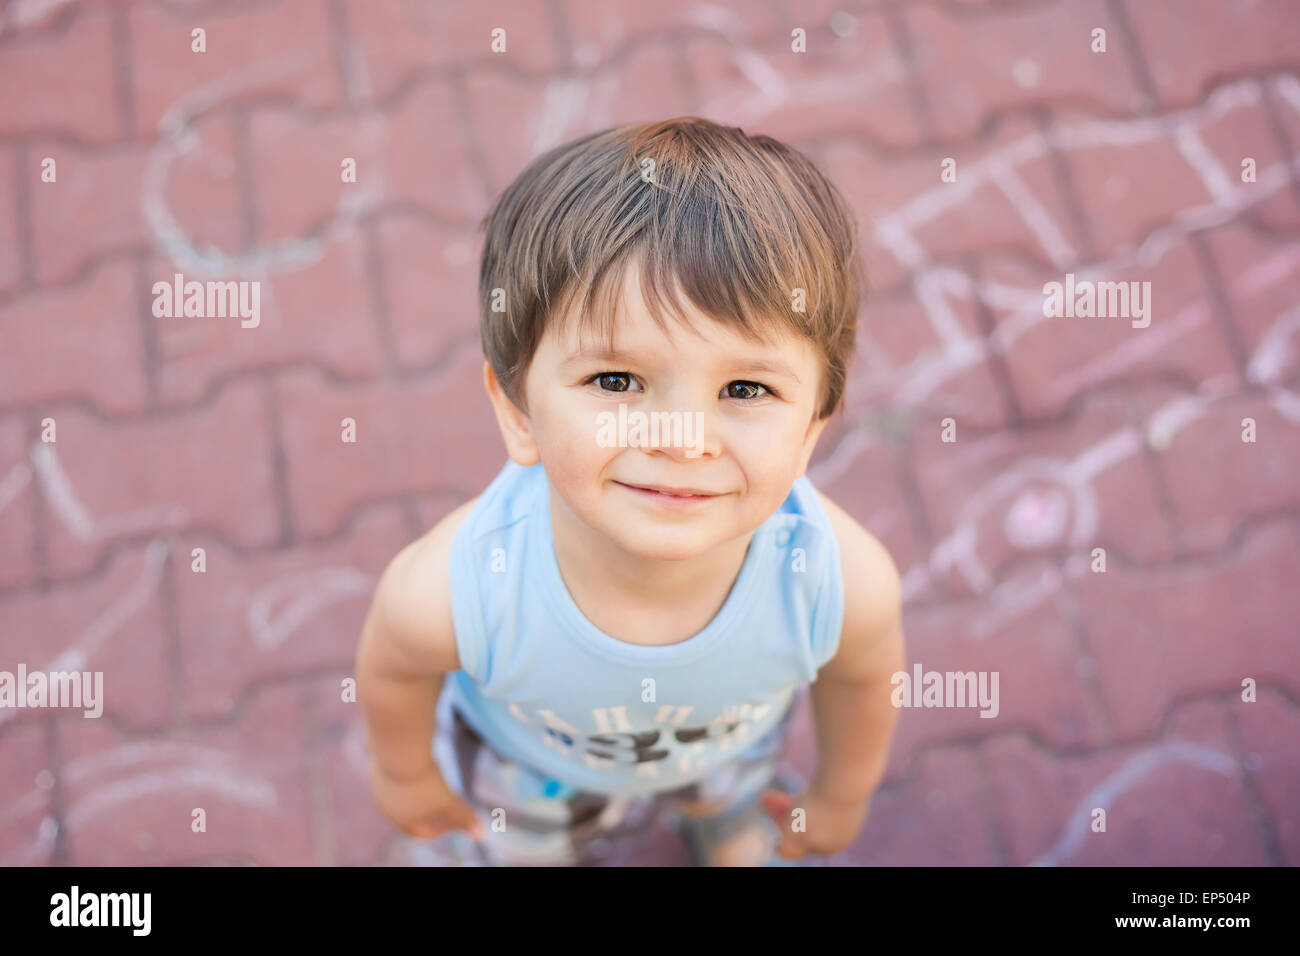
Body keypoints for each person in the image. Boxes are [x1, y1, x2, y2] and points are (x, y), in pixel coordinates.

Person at [356, 117, 905, 866]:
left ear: (810, 428)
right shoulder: (459, 589)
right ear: (518, 411)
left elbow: (864, 682)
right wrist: (404, 773)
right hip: (531, 774)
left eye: (745, 387)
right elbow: (393, 669)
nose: (683, 440)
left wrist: (840, 796)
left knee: (733, 800)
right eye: (616, 380)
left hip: (726, 754)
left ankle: (720, 822)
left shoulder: (841, 580)